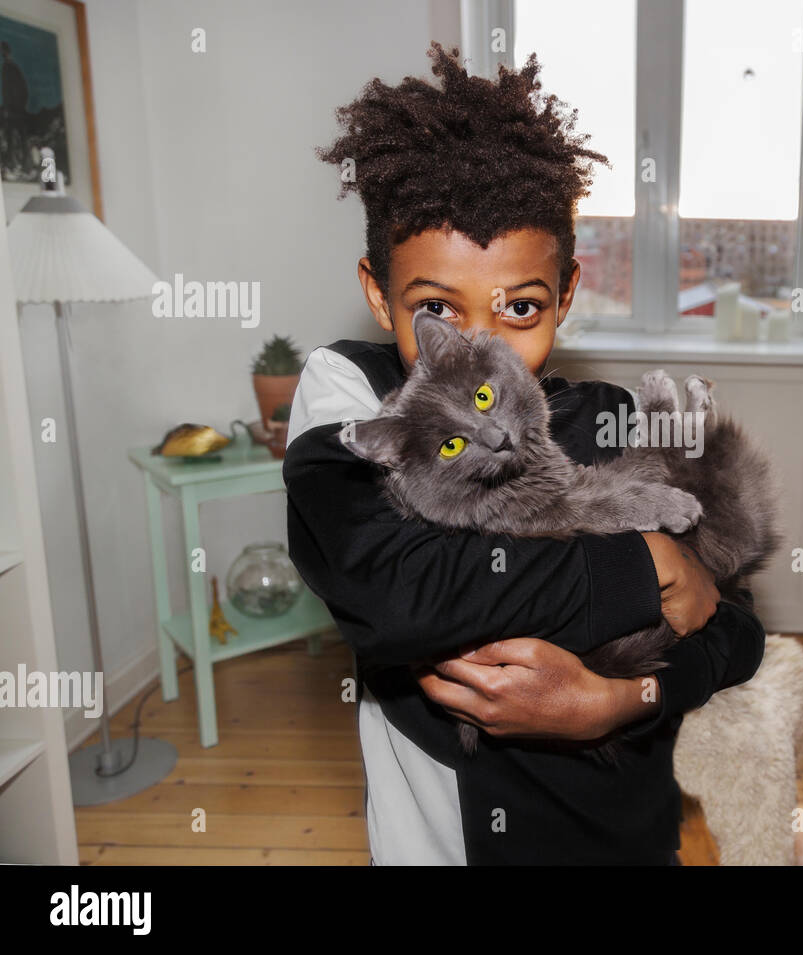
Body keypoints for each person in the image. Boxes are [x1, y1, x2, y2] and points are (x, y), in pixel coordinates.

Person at [283, 43, 767, 865]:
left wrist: (624, 700)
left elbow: (736, 627)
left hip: (630, 841)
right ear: (377, 291)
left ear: (568, 294)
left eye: (521, 307)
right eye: (437, 305)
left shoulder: (613, 417)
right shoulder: (352, 398)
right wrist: (645, 562)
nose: (484, 354)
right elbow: (397, 592)